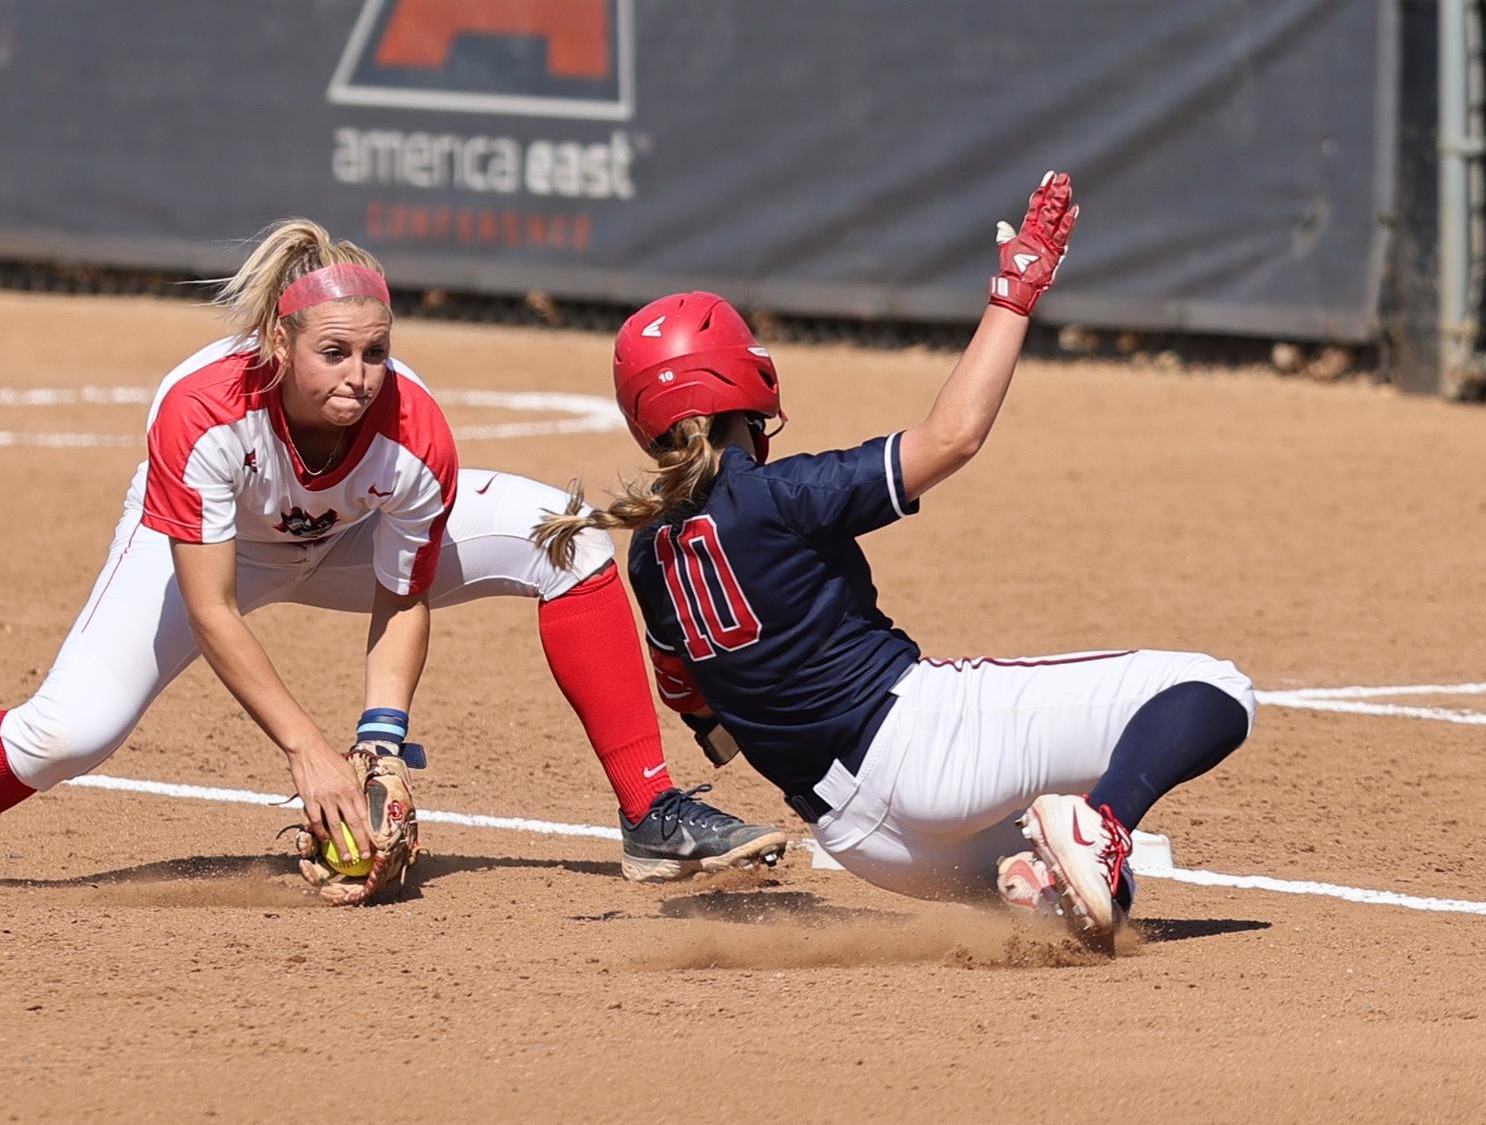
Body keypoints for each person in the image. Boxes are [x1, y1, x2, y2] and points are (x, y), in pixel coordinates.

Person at [0, 219, 786, 896]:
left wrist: (379, 741)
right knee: (64, 736)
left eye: (376, 351)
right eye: (335, 352)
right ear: (277, 351)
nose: (361, 374)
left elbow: (402, 593)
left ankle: (652, 815)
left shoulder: (412, 430)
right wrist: (307, 752)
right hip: (212, 555)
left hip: (343, 540)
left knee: (560, 535)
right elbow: (211, 609)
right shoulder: (202, 417)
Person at [533, 173, 1255, 939]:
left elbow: (704, 718)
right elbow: (953, 438)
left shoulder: (651, 553)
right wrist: (1016, 294)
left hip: (867, 843)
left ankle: (1045, 870)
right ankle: (1100, 824)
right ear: (746, 379)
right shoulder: (779, 494)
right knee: (1213, 688)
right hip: (922, 744)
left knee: (1097, 898)